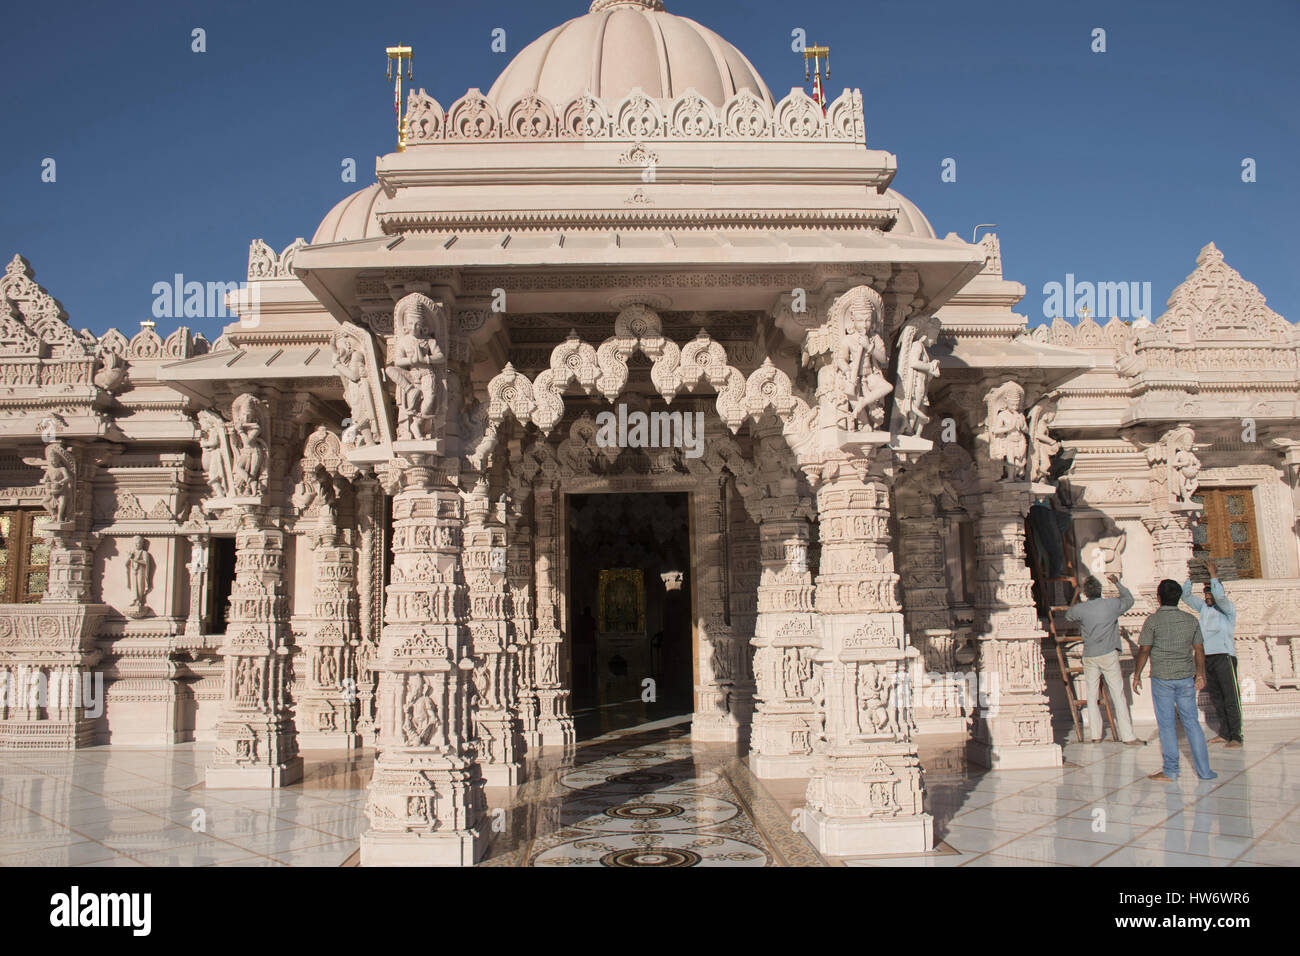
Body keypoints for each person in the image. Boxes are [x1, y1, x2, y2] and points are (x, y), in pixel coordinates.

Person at [1132, 579, 1216, 782]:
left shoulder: (1152, 621)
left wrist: (1137, 674)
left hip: (1162, 678)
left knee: (1167, 724)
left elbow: (1144, 649)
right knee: (1191, 723)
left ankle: (1170, 770)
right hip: (1186, 677)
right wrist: (1200, 674)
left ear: (1159, 598)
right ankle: (1205, 771)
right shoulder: (1190, 620)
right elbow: (1199, 650)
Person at [1065, 573, 1141, 745]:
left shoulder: (1081, 609)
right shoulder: (1111, 604)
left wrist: (1076, 596)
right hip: (1108, 653)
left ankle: (1095, 735)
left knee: (1091, 696)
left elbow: (1069, 615)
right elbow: (1129, 599)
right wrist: (1117, 583)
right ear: (1099, 590)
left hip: (1090, 654)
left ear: (1086, 593)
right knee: (1117, 694)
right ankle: (1127, 736)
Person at [1181, 560, 1242, 748]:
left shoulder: (1226, 609)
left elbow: (1220, 597)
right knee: (1217, 697)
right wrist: (1191, 577)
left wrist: (1213, 576)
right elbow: (1185, 596)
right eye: (1206, 594)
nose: (1208, 597)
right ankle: (1224, 734)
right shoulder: (1204, 609)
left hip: (1225, 657)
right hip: (1208, 658)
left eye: (1211, 593)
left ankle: (1236, 736)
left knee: (1230, 697)